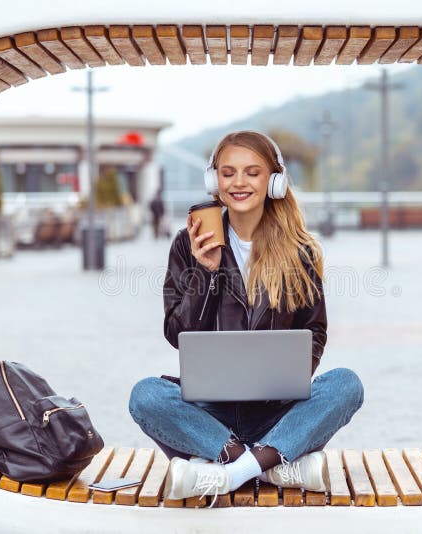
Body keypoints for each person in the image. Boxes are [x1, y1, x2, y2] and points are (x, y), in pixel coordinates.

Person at [128, 130, 364, 504]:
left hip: (278, 413)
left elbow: (314, 331)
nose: (238, 182)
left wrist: (288, 377)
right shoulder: (187, 245)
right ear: (214, 181)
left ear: (274, 181)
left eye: (252, 172)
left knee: (346, 385)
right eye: (228, 172)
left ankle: (227, 472)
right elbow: (176, 333)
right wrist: (205, 272)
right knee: (145, 395)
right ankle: (270, 465)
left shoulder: (299, 250)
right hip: (208, 420)